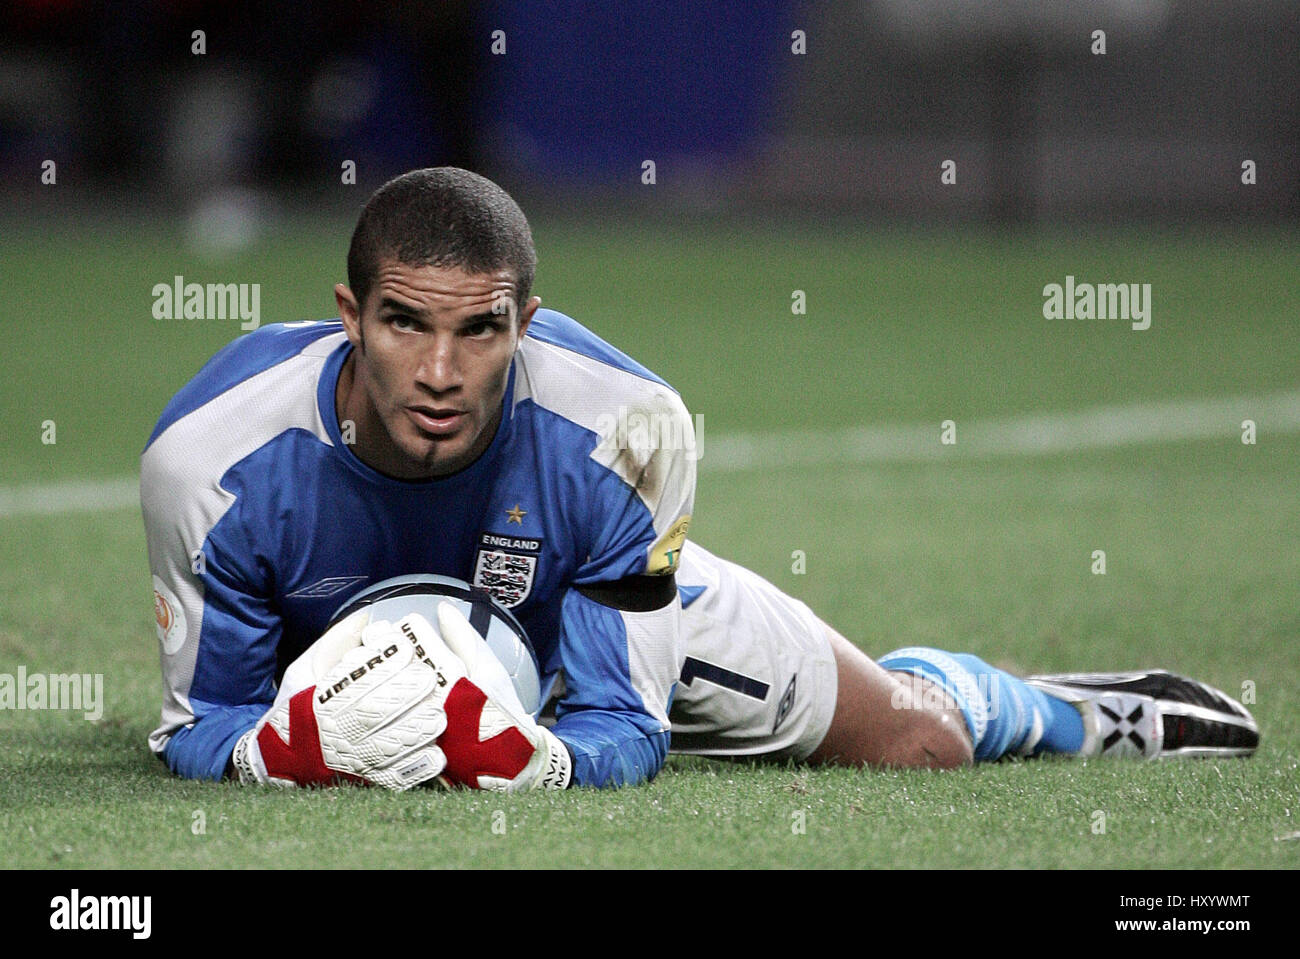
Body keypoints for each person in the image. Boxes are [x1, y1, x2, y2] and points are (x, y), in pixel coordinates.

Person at [141, 168, 1258, 791]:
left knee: (923, 741)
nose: (438, 371)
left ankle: (1062, 707)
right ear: (350, 318)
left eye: (479, 331)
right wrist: (270, 750)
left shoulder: (631, 431)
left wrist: (544, 762)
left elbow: (621, 718)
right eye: (401, 324)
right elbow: (203, 720)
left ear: (523, 324)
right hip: (330, 661)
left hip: (573, 606)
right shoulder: (210, 462)